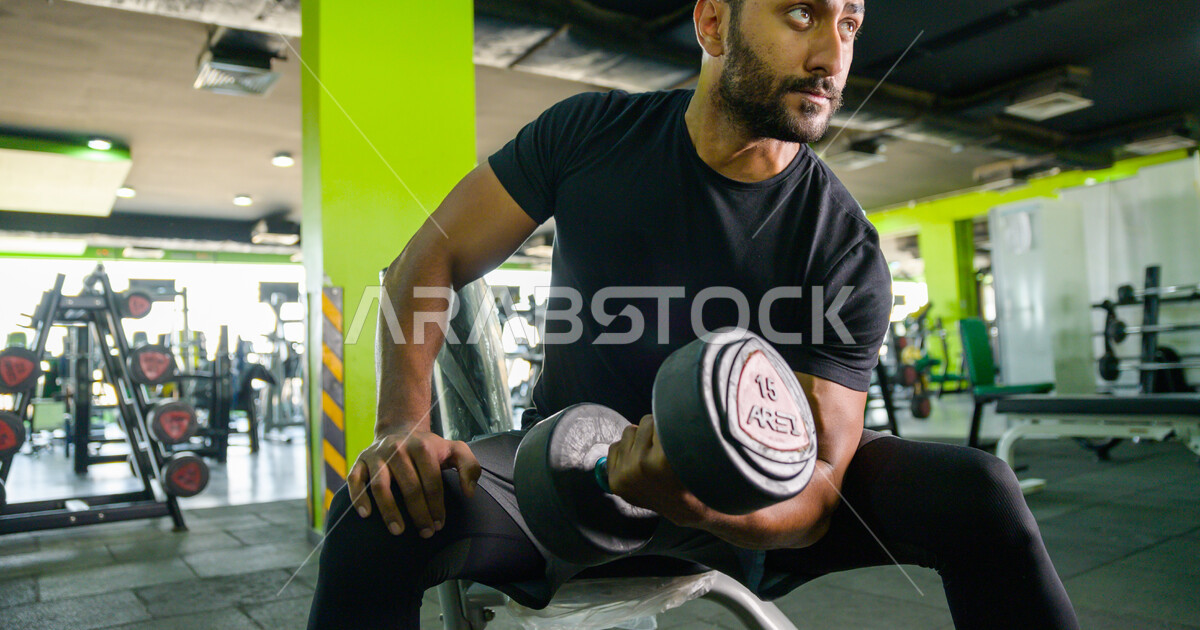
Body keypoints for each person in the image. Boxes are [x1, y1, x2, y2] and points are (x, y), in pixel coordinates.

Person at [308, 1, 1079, 628]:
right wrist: (402, 423)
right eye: (802, 15)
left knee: (980, 492)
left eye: (848, 24)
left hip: (747, 505)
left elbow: (814, 496)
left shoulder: (843, 246)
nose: (831, 58)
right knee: (371, 514)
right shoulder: (589, 135)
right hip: (565, 479)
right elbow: (427, 260)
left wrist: (695, 497)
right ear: (713, 24)